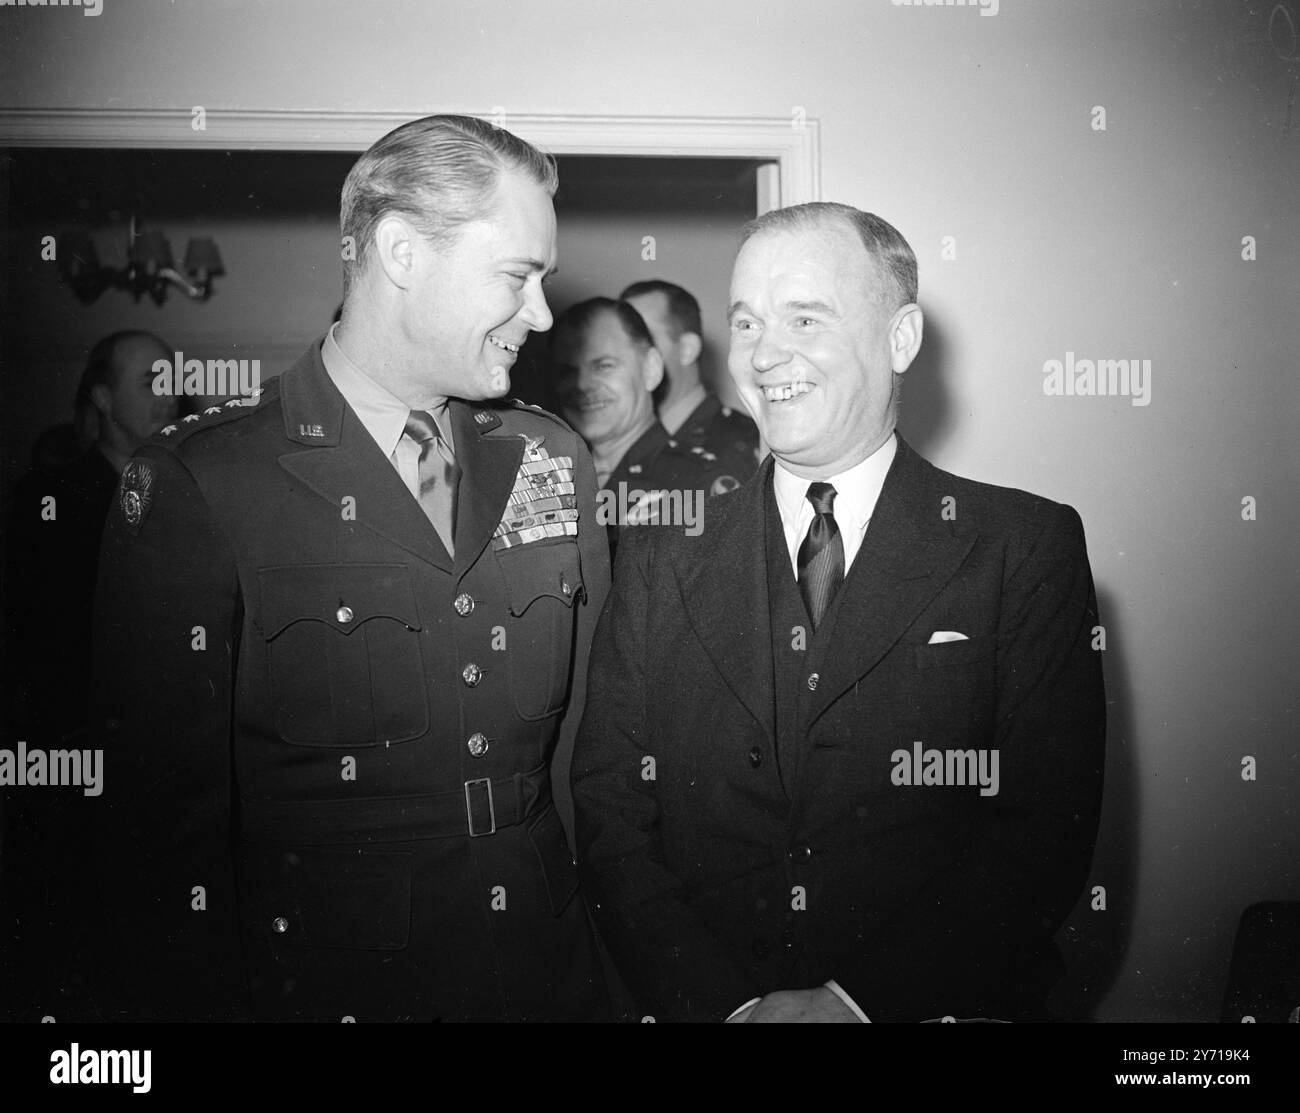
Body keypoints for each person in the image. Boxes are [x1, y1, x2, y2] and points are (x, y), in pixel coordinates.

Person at [88, 115, 612, 1022]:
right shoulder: (204, 482)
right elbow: (161, 846)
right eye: (518, 276)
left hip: (547, 973)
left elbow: (589, 756)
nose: (541, 315)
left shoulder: (549, 457)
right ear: (402, 251)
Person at [573, 203, 1106, 1023]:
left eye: (804, 318)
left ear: (900, 338)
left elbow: (1042, 830)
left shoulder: (1023, 546)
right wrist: (728, 1006)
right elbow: (610, 813)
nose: (763, 353)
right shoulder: (658, 553)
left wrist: (857, 1004)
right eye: (746, 321)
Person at [551, 297, 742, 557]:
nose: (582, 384)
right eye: (566, 371)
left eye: (604, 366)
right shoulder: (558, 479)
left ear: (651, 369)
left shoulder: (696, 486)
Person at [621, 278, 759, 474]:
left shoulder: (745, 444)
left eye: (643, 339)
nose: (628, 358)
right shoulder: (619, 442)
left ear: (687, 349)